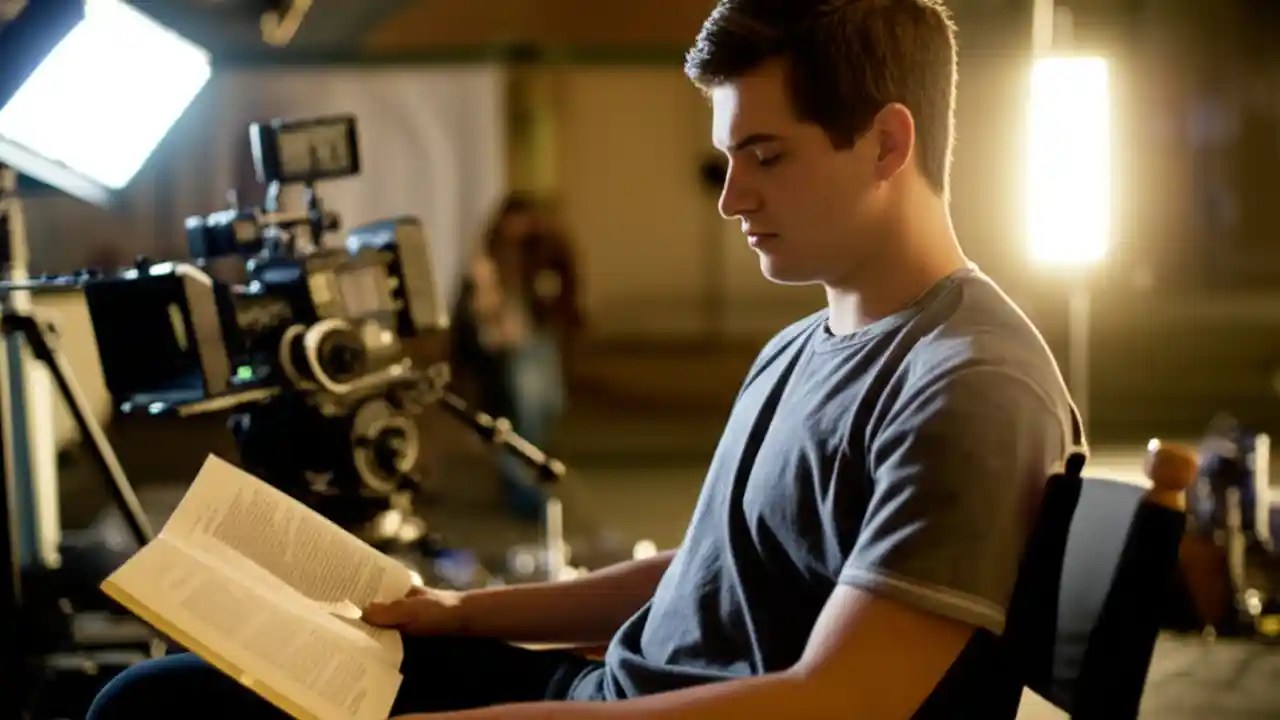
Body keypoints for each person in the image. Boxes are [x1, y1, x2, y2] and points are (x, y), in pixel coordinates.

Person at [87, 1, 1081, 718]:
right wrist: (462, 615)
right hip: (598, 689)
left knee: (154, 716)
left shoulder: (967, 387)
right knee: (155, 692)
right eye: (727, 160)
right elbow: (694, 576)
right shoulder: (801, 344)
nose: (732, 200)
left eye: (765, 156)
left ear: (884, 143)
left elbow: (834, 702)